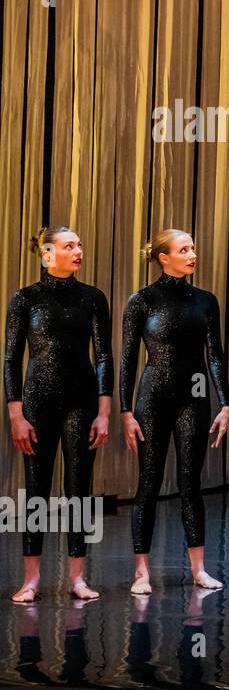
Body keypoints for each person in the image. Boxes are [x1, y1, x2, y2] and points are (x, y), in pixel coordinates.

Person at [5, 226, 112, 602]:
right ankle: (31, 579)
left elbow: (103, 357)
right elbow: (11, 358)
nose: (79, 250)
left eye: (80, 244)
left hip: (82, 401)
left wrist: (104, 411)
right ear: (48, 254)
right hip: (38, 400)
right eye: (70, 245)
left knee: (79, 488)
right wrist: (16, 414)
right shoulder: (26, 298)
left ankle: (78, 577)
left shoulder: (93, 298)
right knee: (36, 488)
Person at [120, 229, 229, 593]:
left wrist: (225, 403)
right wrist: (125, 411)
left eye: (194, 248)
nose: (193, 254)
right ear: (164, 257)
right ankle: (141, 572)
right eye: (184, 249)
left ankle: (198, 569)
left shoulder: (205, 301)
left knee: (190, 485)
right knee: (149, 483)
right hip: (153, 398)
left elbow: (214, 355)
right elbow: (128, 359)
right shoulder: (142, 301)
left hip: (192, 399)